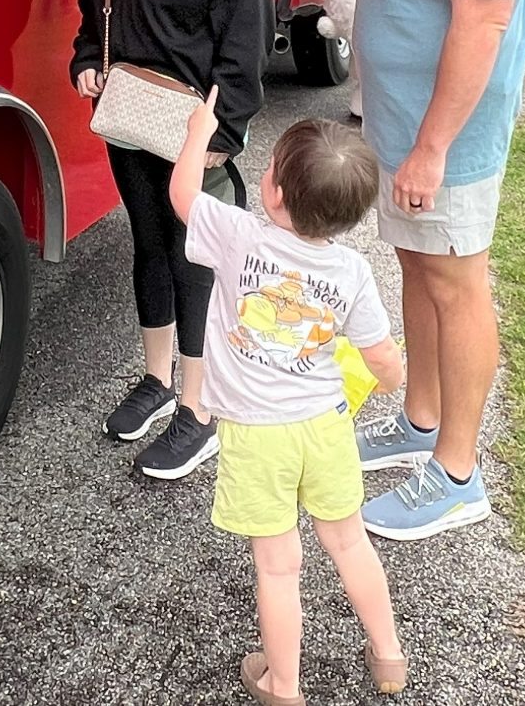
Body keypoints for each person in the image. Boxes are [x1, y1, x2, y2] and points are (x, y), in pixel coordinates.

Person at [330, 0, 525, 541]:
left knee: (457, 283)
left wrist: (431, 146)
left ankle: (456, 471)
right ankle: (418, 416)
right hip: (402, 125)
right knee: (417, 268)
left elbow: (482, 21)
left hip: (442, 139)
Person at [168, 99, 408, 706]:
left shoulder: (239, 236)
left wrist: (199, 133)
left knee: (278, 567)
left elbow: (182, 195)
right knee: (349, 541)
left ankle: (283, 685)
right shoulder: (352, 272)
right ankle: (387, 654)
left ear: (272, 190)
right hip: (324, 428)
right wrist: (392, 380)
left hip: (256, 436)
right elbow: (381, 355)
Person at [71, 0, 275, 480]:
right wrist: (82, 61)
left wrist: (229, 126)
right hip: (129, 114)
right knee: (150, 243)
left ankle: (200, 407)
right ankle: (158, 380)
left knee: (196, 259)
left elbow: (251, 26)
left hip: (195, 125)